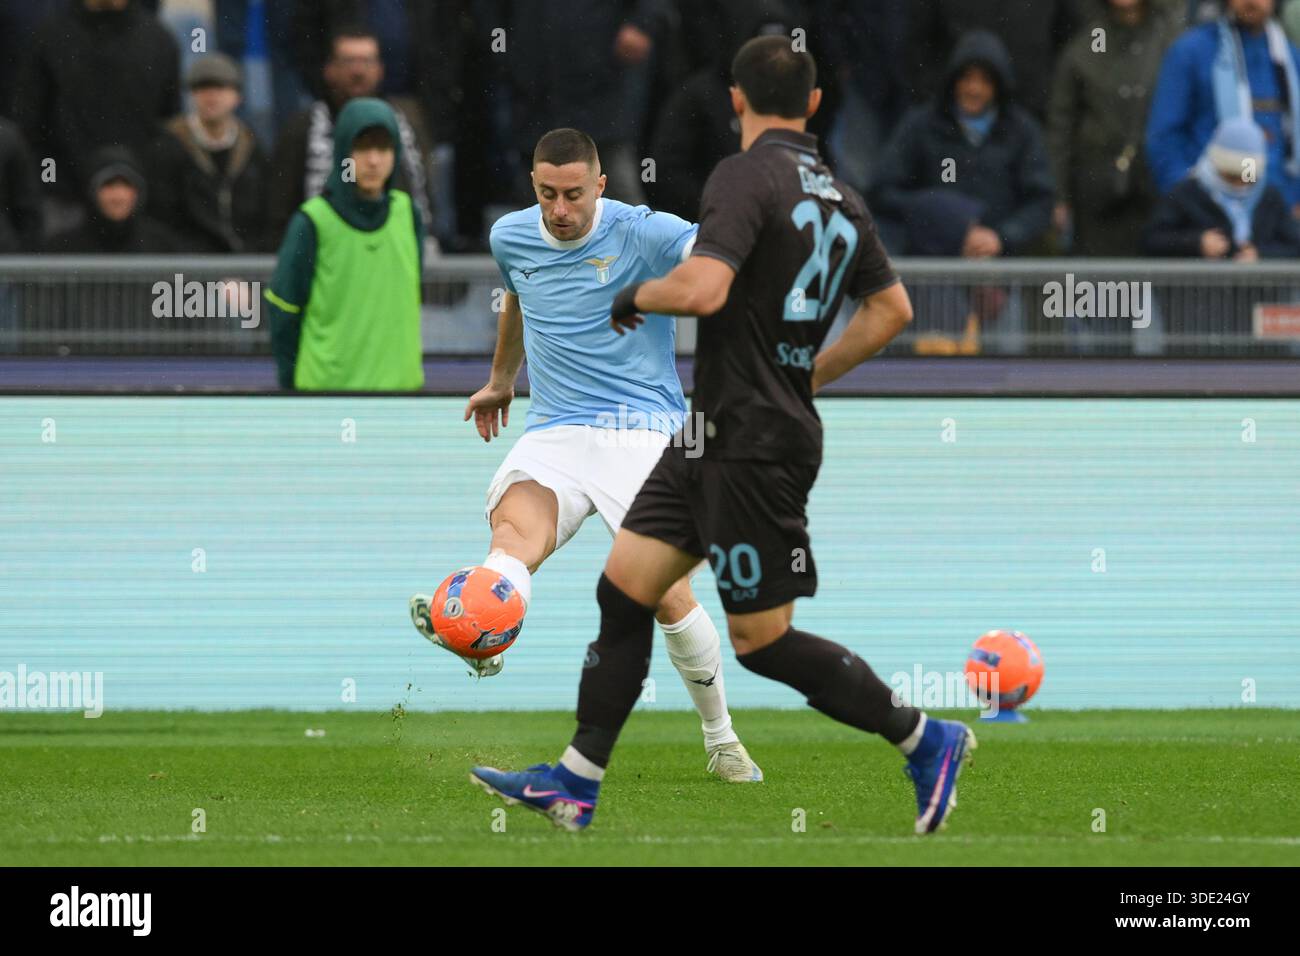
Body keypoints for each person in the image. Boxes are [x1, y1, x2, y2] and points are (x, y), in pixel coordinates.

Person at [467, 36, 974, 834]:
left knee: (760, 639)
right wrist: (803, 375)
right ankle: (576, 781)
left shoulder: (743, 177)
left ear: (736, 101)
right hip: (719, 429)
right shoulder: (840, 195)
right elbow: (894, 313)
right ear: (813, 105)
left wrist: (641, 292)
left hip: (747, 437)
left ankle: (924, 736)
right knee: (626, 585)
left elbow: (703, 287)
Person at [409, 126, 763, 784]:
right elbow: (518, 296)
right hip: (556, 428)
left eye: (574, 194)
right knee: (512, 537)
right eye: (547, 195)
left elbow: (716, 259)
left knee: (664, 593)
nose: (560, 210)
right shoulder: (510, 236)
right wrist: (501, 379)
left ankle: (722, 739)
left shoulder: (644, 231)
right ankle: (486, 622)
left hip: (645, 430)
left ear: (600, 185)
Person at [264, 98, 424, 391]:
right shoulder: (312, 221)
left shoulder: (408, 214)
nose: (374, 160)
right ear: (342, 151)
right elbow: (284, 309)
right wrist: (290, 389)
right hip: (326, 397)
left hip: (403, 397)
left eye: (384, 148)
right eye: (362, 147)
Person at [14, 0, 180, 237]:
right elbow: (30, 121)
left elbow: (167, 122)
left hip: (139, 200)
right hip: (64, 200)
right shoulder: (49, 36)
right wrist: (50, 182)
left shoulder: (159, 40)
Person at [267, 25, 434, 246]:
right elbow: (278, 210)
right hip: (323, 251)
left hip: (395, 246)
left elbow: (424, 193)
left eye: (366, 61)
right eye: (348, 61)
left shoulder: (407, 121)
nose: (358, 71)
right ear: (329, 69)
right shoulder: (301, 127)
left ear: (380, 69)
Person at [1048, 0, 1181, 256]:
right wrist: (1059, 196)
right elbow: (1060, 129)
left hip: (1157, 188)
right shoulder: (1082, 47)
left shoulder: (1173, 41)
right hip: (1097, 193)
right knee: (1102, 288)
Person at [1147, 0, 1300, 213]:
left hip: (1281, 218)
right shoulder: (1191, 52)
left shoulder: (1290, 59)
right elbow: (1164, 139)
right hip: (1210, 216)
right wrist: (1190, 206)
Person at [148, 54, 270, 253]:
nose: (211, 96)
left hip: (246, 268)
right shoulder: (168, 147)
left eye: (221, 88)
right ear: (192, 95)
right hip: (188, 270)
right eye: (202, 88)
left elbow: (263, 216)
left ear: (237, 97)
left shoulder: (253, 148)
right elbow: (162, 218)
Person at [1144, 116, 1300, 256]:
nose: (1240, 184)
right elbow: (1152, 240)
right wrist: (1196, 243)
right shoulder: (1187, 193)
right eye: (1232, 175)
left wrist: (1259, 254)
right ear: (1216, 166)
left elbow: (1294, 244)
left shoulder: (1268, 197)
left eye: (1246, 176)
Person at [45, 147, 179, 253]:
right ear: (92, 192)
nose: (118, 196)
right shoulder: (63, 247)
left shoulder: (163, 246)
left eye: (126, 185)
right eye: (108, 185)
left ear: (139, 192)